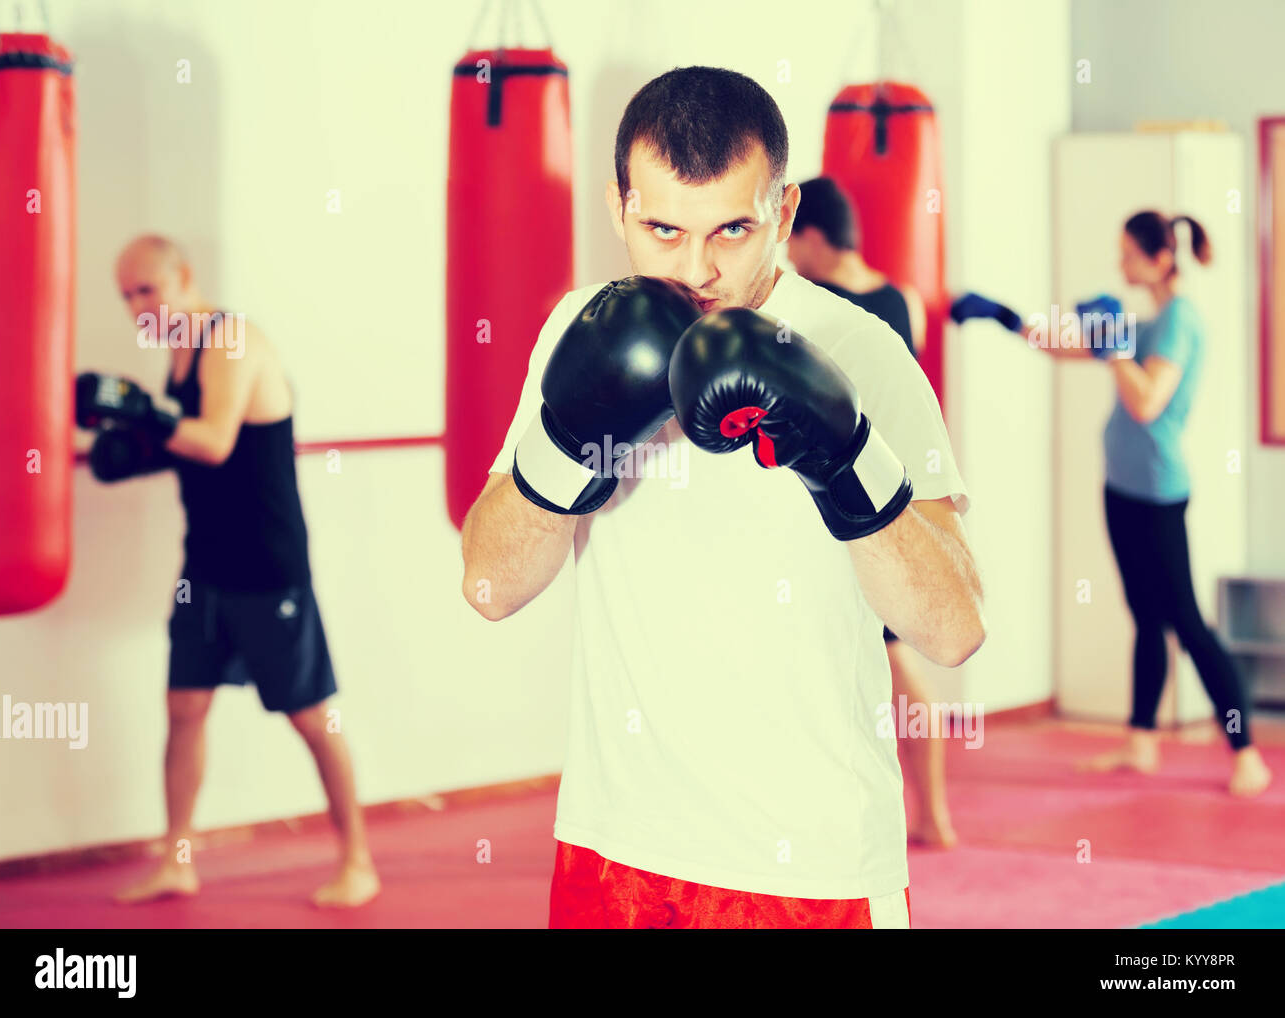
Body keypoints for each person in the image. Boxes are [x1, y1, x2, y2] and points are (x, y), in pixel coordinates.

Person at [461, 67, 985, 929]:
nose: (697, 269)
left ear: (782, 213)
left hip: (809, 871)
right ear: (618, 208)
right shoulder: (577, 331)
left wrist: (844, 458)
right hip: (613, 849)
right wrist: (566, 438)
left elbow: (955, 629)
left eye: (732, 230)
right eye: (662, 229)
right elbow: (489, 586)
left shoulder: (863, 350)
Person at [78, 235, 380, 906]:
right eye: (126, 295)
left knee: (310, 716)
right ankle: (178, 858)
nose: (137, 306)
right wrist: (134, 451)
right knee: (184, 707)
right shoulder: (179, 351)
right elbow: (191, 445)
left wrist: (146, 417)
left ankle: (358, 859)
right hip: (205, 561)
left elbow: (213, 440)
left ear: (182, 278)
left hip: (267, 563)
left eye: (147, 290)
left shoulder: (233, 341)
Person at [950, 211, 1271, 798]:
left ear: (1158, 259)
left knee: (1188, 624)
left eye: (1127, 253)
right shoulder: (1149, 323)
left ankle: (1246, 752)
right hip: (1121, 487)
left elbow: (1147, 401)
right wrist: (1002, 316)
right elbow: (1066, 350)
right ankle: (1141, 742)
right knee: (1146, 618)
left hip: (1157, 493)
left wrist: (1117, 344)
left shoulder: (1179, 323)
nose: (1120, 264)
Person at [787, 176, 957, 848]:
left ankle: (860, 821)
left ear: (815, 237)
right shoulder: (903, 298)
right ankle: (934, 815)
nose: (789, 258)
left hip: (837, 504)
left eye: (794, 242)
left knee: (867, 661)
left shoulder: (815, 308)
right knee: (890, 661)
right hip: (893, 496)